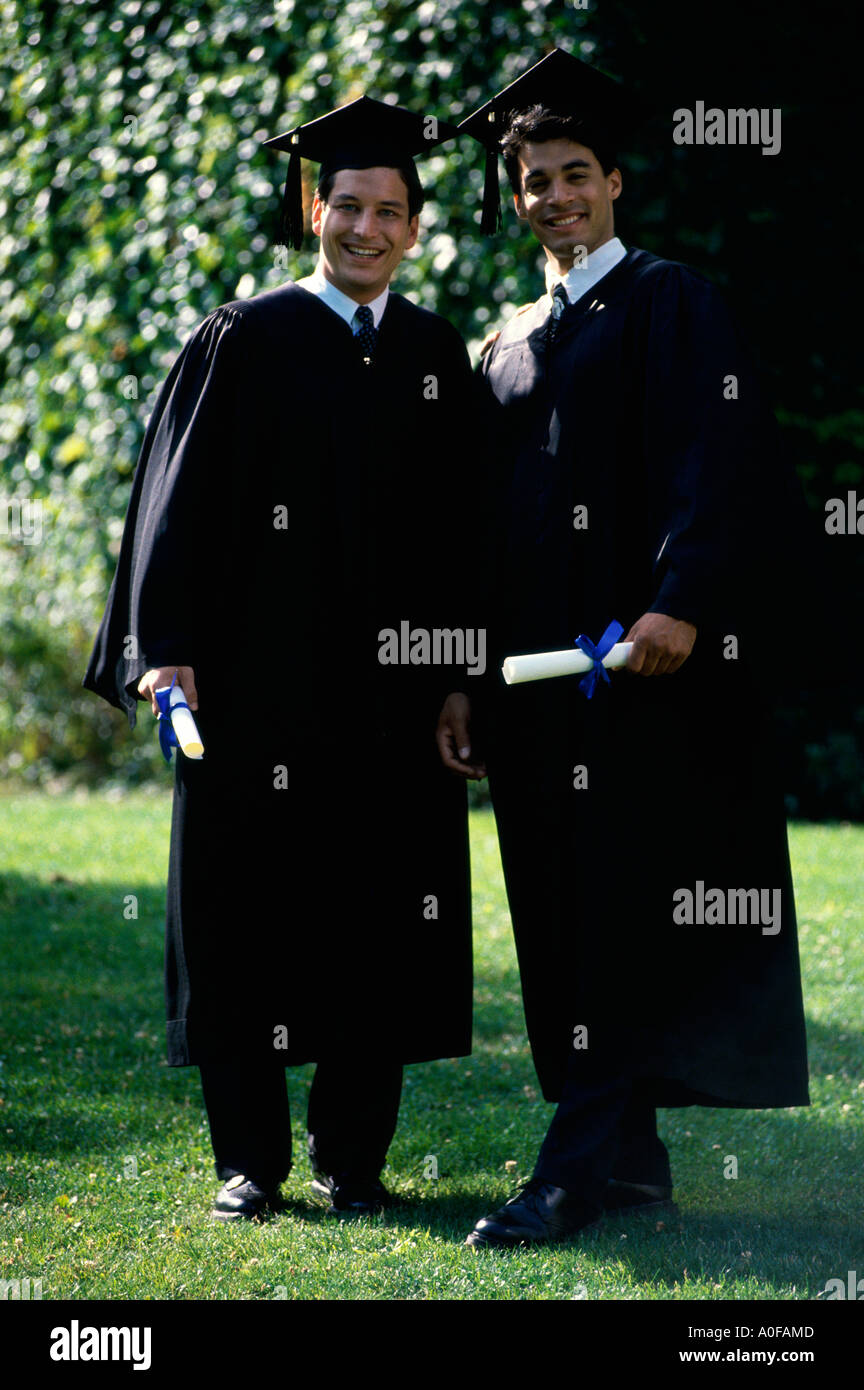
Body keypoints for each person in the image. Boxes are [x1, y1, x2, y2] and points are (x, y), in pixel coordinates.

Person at [84, 96, 484, 1222]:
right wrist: (165, 650)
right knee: (243, 908)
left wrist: (460, 675)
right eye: (347, 205)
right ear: (315, 208)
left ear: (416, 226)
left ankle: (353, 1158)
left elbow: (465, 535)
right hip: (256, 690)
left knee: (382, 910)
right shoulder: (245, 336)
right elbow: (173, 505)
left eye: (389, 211)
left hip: (393, 696)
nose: (365, 228)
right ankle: (248, 1160)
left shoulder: (431, 353)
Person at [440, 49, 810, 1248]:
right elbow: (475, 527)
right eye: (535, 181)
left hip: (643, 681)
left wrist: (681, 598)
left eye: (575, 175)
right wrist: (460, 673)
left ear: (615, 183)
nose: (555, 196)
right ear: (516, 197)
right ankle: (635, 1163)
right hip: (534, 688)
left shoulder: (670, 301)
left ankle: (567, 1167)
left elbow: (721, 459)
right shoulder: (501, 342)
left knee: (621, 915)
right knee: (553, 914)